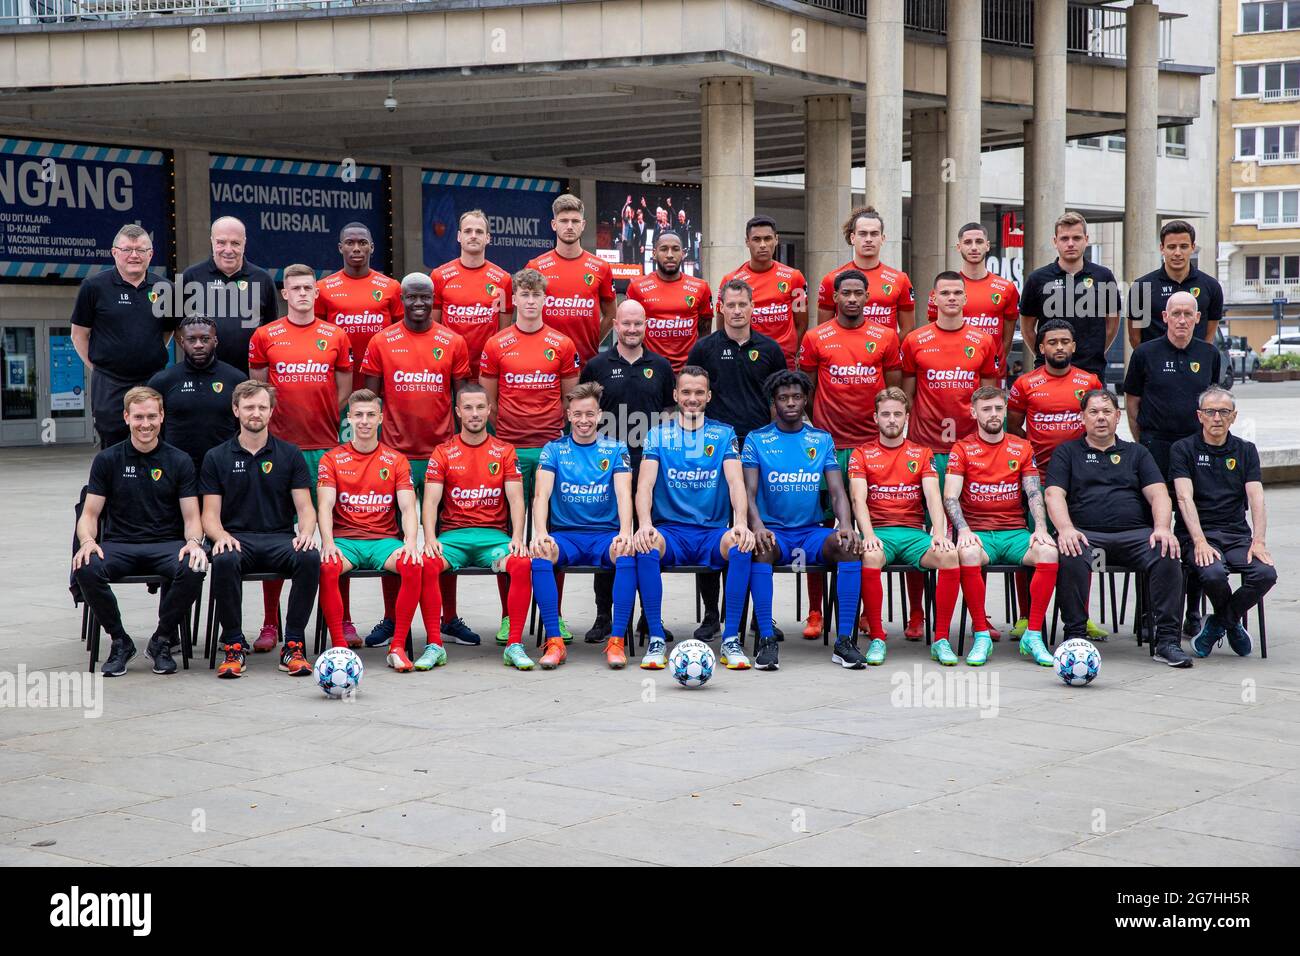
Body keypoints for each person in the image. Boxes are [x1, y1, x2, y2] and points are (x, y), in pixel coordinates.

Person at [359, 272, 471, 648]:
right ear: (401, 299)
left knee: (444, 538)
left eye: (425, 297)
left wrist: (457, 449)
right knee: (392, 539)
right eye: (412, 297)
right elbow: (370, 402)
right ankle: (392, 619)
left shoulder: (453, 341)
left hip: (441, 454)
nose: (419, 303)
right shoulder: (381, 341)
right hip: (394, 454)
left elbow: (461, 402)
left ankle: (450, 617)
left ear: (433, 298)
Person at [1044, 390, 1190, 667]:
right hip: (1087, 537)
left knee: (1167, 551)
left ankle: (1167, 641)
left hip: (1134, 538)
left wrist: (1162, 527)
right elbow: (1053, 494)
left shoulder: (1137, 453)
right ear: (1082, 418)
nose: (1101, 418)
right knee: (1071, 551)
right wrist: (1065, 529)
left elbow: (1159, 494)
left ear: (1118, 416)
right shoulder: (1067, 452)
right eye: (1094, 412)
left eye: (1107, 412)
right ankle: (1075, 637)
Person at [248, 263, 352, 648]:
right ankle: (271, 624)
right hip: (278, 451)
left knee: (333, 537)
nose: (304, 294)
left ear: (316, 293)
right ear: (286, 294)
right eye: (296, 288)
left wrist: (322, 419)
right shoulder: (265, 336)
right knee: (276, 535)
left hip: (324, 448)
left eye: (309, 287)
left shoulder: (335, 335)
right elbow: (258, 394)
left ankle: (344, 619)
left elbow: (343, 391)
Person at [72, 386, 208, 677]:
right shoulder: (108, 460)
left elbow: (192, 516)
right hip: (121, 544)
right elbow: (90, 513)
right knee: (86, 566)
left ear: (162, 417)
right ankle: (120, 641)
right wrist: (86, 541)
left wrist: (194, 542)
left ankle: (161, 640)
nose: (145, 424)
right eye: (138, 417)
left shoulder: (179, 460)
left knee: (195, 566)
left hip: (167, 544)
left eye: (151, 416)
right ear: (126, 417)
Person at [797, 267, 902, 639]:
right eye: (847, 293)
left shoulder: (885, 337)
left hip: (869, 449)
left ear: (868, 297)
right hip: (827, 447)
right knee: (818, 527)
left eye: (860, 292)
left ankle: (856, 611)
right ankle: (814, 612)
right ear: (835, 298)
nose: (853, 298)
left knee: (863, 531)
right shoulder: (815, 336)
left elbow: (892, 392)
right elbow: (804, 391)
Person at [480, 268, 582, 641]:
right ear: (515, 300)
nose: (530, 301)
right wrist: (506, 436)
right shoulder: (496, 344)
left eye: (536, 295)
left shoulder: (562, 343)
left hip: (550, 450)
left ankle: (554, 615)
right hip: (509, 449)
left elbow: (569, 400)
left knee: (550, 535)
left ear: (545, 300)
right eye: (523, 295)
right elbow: (488, 403)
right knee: (511, 539)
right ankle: (510, 616)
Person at [634, 366, 756, 670]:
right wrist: (645, 525)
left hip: (711, 534)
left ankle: (731, 639)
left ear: (709, 396)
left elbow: (735, 483)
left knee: (741, 544)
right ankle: (656, 638)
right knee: (646, 545)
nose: (692, 398)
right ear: (675, 395)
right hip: (671, 534)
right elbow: (645, 485)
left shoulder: (724, 434)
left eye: (699, 392)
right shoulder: (658, 435)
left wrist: (740, 522)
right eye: (686, 392)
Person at [686, 278, 788, 641]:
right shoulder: (705, 349)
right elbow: (693, 394)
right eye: (730, 305)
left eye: (743, 304)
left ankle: (762, 616)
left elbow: (781, 400)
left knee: (756, 533)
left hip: (758, 450)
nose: (737, 311)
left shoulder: (771, 349)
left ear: (752, 306)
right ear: (721, 307)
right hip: (713, 449)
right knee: (713, 528)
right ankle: (713, 614)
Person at [900, 271, 1000, 640]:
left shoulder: (983, 340)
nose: (953, 298)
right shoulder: (915, 340)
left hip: (969, 451)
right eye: (946, 292)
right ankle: (915, 615)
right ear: (934, 299)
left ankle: (980, 615)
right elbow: (906, 396)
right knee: (919, 532)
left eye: (959, 292)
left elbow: (989, 399)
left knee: (972, 535)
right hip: (926, 450)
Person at [743, 370, 865, 671]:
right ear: (773, 402)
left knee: (848, 547)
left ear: (805, 399)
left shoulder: (821, 439)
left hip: (811, 534)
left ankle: (844, 641)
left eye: (797, 397)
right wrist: (757, 527)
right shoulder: (756, 440)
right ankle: (767, 641)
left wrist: (846, 525)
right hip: (775, 535)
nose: (791, 403)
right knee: (759, 549)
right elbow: (747, 492)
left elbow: (838, 492)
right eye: (783, 398)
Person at [201, 381, 320, 679]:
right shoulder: (216, 457)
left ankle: (293, 644)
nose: (256, 413)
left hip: (279, 538)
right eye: (250, 407)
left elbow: (305, 508)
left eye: (262, 407)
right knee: (224, 558)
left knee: (309, 557)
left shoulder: (290, 454)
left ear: (271, 411)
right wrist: (220, 537)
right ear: (236, 409)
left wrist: (306, 532)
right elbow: (210, 515)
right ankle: (234, 644)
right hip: (237, 540)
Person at [316, 390, 441, 672]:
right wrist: (327, 542)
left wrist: (411, 542)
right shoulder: (332, 459)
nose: (364, 421)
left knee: (413, 563)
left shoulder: (396, 460)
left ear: (381, 419)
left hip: (383, 542)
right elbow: (325, 506)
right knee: (326, 566)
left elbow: (409, 508)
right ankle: (340, 648)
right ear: (348, 418)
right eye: (358, 415)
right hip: (347, 542)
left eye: (370, 415)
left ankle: (397, 646)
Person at [579, 299, 675, 642]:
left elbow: (668, 416)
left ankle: (651, 619)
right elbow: (585, 412)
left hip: (650, 466)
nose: (632, 329)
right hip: (605, 466)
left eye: (638, 324)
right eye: (626, 323)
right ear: (615, 325)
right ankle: (604, 616)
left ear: (646, 325)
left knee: (649, 539)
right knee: (613, 537)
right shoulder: (596, 365)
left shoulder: (661, 367)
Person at [942, 387, 1060, 667]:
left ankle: (1033, 634)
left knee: (1048, 552)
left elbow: (1033, 493)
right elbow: (950, 496)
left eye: (998, 408)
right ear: (973, 413)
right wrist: (964, 531)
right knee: (968, 554)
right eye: (986, 409)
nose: (993, 414)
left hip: (1015, 532)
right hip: (980, 533)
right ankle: (981, 633)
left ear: (1005, 410)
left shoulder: (1021, 446)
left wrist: (1040, 528)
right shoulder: (962, 448)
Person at [1006, 318, 1107, 641]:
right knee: (1033, 546)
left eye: (1065, 341)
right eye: (1052, 342)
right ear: (1041, 346)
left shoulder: (1089, 381)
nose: (1059, 347)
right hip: (1037, 480)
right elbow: (1014, 428)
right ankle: (1026, 616)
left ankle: (1081, 616)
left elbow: (1096, 425)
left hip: (1079, 481)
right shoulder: (1025, 384)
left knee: (1080, 546)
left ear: (1073, 346)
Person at [423, 385, 535, 670]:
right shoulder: (443, 451)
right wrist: (429, 537)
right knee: (426, 562)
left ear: (489, 410)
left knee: (521, 562)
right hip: (453, 539)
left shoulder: (504, 451)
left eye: (480, 407)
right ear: (458, 412)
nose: (475, 414)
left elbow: (516, 499)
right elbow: (430, 500)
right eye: (468, 408)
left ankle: (514, 645)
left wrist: (518, 537)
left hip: (493, 541)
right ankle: (435, 644)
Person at [529, 383, 638, 670]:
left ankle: (616, 641)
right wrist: (540, 532)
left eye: (589, 414)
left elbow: (624, 494)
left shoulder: (616, 449)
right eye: (577, 414)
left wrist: (625, 532)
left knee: (626, 554)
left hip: (605, 536)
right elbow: (541, 495)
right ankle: (554, 641)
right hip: (566, 537)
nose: (584, 420)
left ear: (600, 414)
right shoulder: (553, 449)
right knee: (541, 554)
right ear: (568, 415)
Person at [847, 388, 959, 665]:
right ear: (875, 418)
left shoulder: (922, 453)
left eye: (897, 414)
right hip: (880, 532)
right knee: (870, 555)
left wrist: (938, 532)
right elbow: (857, 499)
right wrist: (869, 534)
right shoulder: (862, 453)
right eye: (886, 414)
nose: (892, 420)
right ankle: (877, 638)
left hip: (913, 534)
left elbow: (933, 496)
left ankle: (941, 639)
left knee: (949, 555)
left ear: (907, 417)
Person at [1170, 386, 1275, 659]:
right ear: (1199, 416)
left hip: (1236, 535)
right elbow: (1183, 498)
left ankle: (1220, 622)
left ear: (1234, 416)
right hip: (1197, 535)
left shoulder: (1246, 450)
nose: (1217, 417)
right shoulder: (1183, 449)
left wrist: (1259, 541)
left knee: (1266, 573)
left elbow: (1257, 498)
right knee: (1213, 573)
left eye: (1224, 412)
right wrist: (1199, 541)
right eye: (1210, 411)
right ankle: (1232, 623)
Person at [70, 224, 175, 449]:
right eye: (127, 249)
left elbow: (167, 331)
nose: (134, 255)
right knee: (112, 442)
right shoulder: (93, 287)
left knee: (154, 441)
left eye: (140, 250)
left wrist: (146, 352)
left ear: (151, 254)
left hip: (152, 380)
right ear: (114, 252)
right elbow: (79, 335)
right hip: (110, 383)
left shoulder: (167, 288)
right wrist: (98, 367)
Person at [1123, 291, 1221, 480]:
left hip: (1196, 443)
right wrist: (1143, 441)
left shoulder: (1210, 354)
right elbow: (1132, 401)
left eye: (1188, 314)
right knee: (1157, 505)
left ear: (1197, 317)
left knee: (1193, 502)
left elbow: (1213, 400)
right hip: (1155, 444)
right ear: (1165, 317)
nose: (1182, 320)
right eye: (1176, 314)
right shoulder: (1144, 353)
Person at [1019, 211, 1120, 379]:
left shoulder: (1104, 276)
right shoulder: (1037, 279)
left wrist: (1094, 351)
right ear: (1055, 242)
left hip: (1091, 369)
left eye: (1077, 238)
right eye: (1064, 239)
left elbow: (1112, 325)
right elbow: (1027, 329)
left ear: (1086, 240)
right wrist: (1045, 354)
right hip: (1048, 371)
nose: (1070, 244)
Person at [147, 315, 247, 474]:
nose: (198, 345)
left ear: (215, 341)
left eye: (205, 339)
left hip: (224, 468)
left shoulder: (237, 380)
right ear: (182, 343)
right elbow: (152, 427)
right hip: (177, 470)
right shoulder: (162, 381)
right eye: (191, 340)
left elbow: (242, 427)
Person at [179, 216, 280, 373]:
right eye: (221, 242)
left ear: (244, 243)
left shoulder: (263, 279)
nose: (228, 250)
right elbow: (178, 327)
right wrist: (199, 356)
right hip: (202, 375)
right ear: (212, 241)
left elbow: (270, 331)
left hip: (250, 376)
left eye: (235, 243)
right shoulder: (191, 276)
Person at [525, 194, 616, 368]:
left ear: (583, 225)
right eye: (563, 221)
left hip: (586, 363)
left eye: (575, 221)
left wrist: (593, 342)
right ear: (554, 225)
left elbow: (612, 314)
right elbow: (525, 315)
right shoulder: (535, 266)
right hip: (544, 364)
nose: (569, 226)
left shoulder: (601, 267)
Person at [315, 222, 404, 396]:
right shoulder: (323, 288)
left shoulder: (391, 287)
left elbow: (402, 335)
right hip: (337, 382)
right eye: (350, 243)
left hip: (382, 382)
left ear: (371, 247)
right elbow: (315, 335)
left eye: (362, 243)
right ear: (341, 248)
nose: (356, 248)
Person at [431, 209, 513, 380]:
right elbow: (434, 328)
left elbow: (503, 333)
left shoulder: (503, 279)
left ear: (488, 238)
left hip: (487, 370)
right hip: (449, 368)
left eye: (479, 232)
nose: (473, 236)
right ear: (459, 236)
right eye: (468, 231)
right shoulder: (439, 276)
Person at [925, 222, 1019, 368]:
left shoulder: (1007, 288)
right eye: (968, 242)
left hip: (993, 374)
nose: (974, 247)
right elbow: (935, 332)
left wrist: (995, 365)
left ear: (987, 246)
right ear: (958, 247)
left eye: (979, 242)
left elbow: (1007, 340)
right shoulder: (945, 288)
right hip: (953, 371)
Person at [718, 216, 807, 366]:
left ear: (776, 239)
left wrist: (791, 352)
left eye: (768, 238)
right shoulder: (731, 280)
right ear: (747, 242)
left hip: (784, 361)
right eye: (756, 239)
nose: (763, 245)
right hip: (745, 360)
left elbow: (801, 323)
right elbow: (722, 326)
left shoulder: (794, 277)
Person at [817, 206, 916, 339]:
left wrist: (889, 350)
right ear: (852, 238)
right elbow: (823, 329)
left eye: (874, 234)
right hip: (844, 357)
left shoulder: (900, 279)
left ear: (883, 238)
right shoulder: (831, 279)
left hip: (884, 358)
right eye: (863, 234)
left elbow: (908, 328)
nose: (868, 239)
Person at [1127, 220, 1224, 348]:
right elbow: (1134, 338)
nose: (1177, 253)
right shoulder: (1140, 287)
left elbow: (1209, 336)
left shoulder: (1211, 287)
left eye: (1184, 246)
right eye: (1171, 247)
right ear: (1162, 248)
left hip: (1195, 365)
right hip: (1154, 365)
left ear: (1193, 247)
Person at [626, 232, 713, 372]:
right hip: (649, 371)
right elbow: (629, 332)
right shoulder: (637, 287)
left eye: (675, 249)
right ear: (654, 253)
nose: (670, 254)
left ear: (683, 254)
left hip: (688, 372)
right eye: (664, 249)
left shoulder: (701, 287)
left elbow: (705, 334)